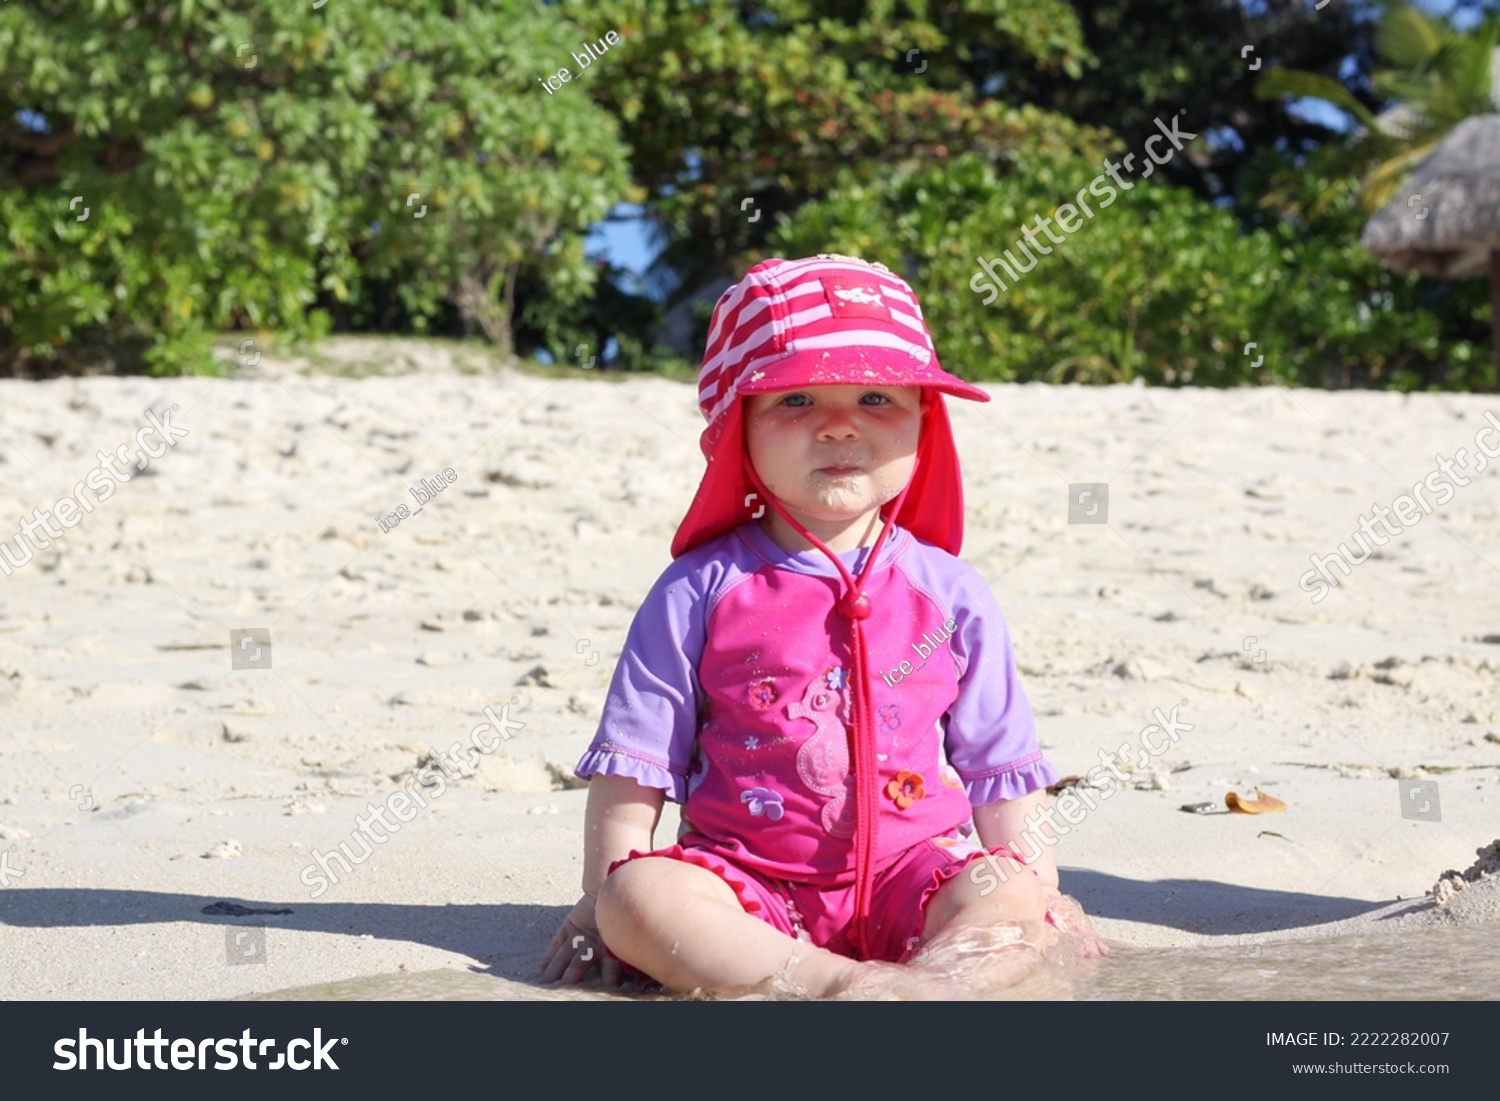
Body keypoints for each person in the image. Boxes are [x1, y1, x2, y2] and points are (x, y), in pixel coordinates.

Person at [540, 254, 1106, 998]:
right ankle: (839, 985)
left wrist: (1042, 885)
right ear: (736, 427)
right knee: (636, 897)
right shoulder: (700, 590)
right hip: (744, 882)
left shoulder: (952, 594)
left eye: (876, 396)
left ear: (924, 420)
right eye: (797, 399)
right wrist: (595, 903)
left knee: (1010, 894)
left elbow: (1001, 771)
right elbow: (633, 767)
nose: (839, 427)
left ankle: (935, 985)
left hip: (915, 877)